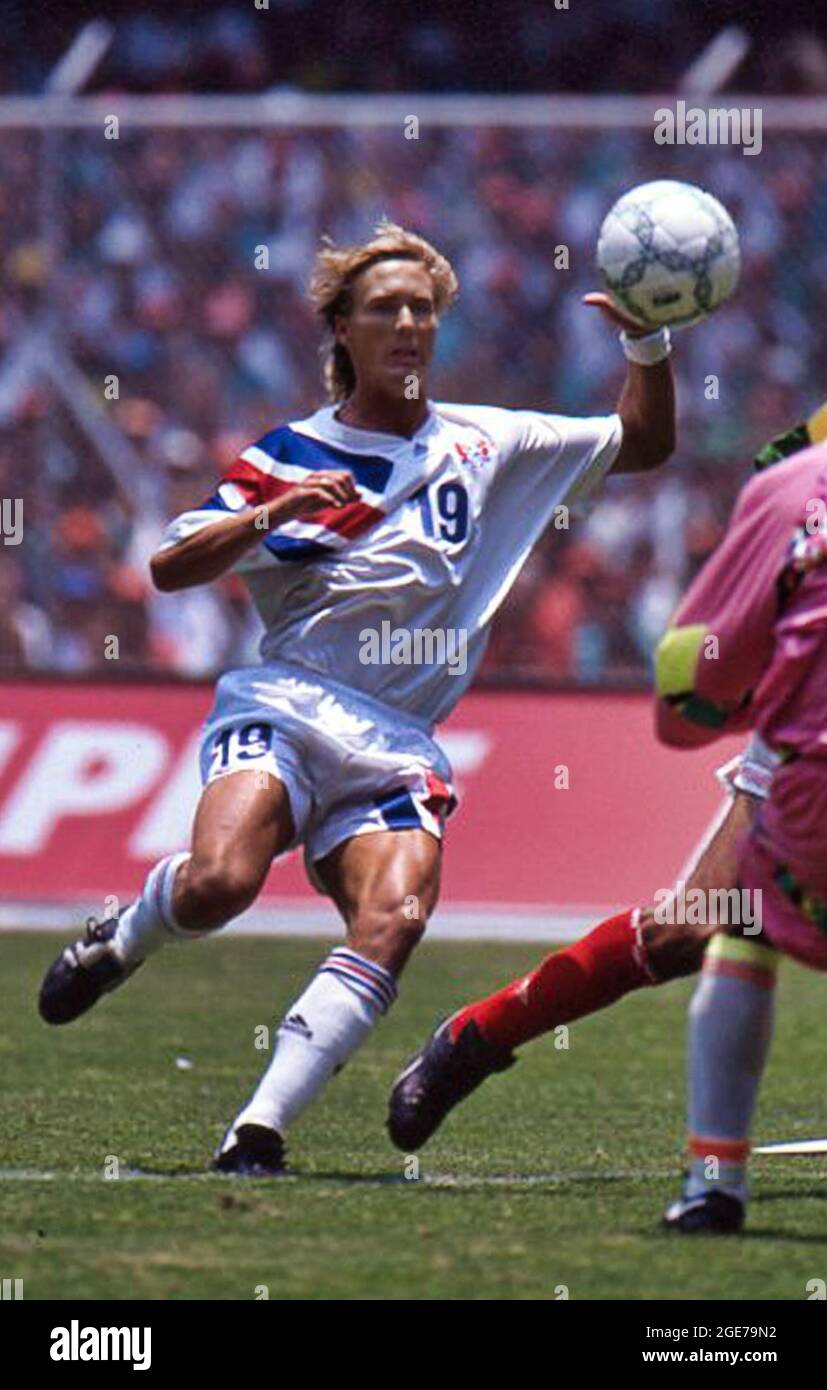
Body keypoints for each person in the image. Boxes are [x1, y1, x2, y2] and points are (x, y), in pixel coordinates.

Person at [38, 221, 674, 1175]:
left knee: (396, 918)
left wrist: (647, 341)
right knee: (219, 886)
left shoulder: (488, 441)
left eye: (423, 308)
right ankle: (121, 938)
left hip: (399, 739)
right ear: (340, 328)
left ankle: (258, 1130)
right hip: (288, 705)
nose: (409, 324)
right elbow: (170, 566)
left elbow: (644, 441)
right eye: (385, 308)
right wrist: (270, 512)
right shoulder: (291, 453)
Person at [387, 399, 827, 1237]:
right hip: (807, 731)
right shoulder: (806, 456)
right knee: (691, 930)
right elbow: (750, 574)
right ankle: (479, 1035)